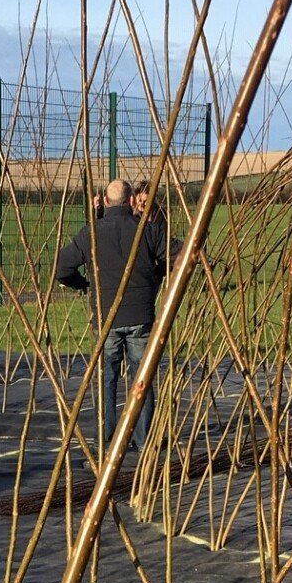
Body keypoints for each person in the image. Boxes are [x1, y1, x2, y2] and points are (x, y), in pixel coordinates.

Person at [54, 177, 172, 450]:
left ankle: (106, 439)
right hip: (140, 315)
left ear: (105, 202)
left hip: (106, 316)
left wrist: (83, 284)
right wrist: (155, 275)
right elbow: (178, 254)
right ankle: (143, 440)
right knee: (141, 378)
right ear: (132, 201)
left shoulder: (92, 233)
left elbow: (62, 268)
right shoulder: (147, 230)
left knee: (106, 379)